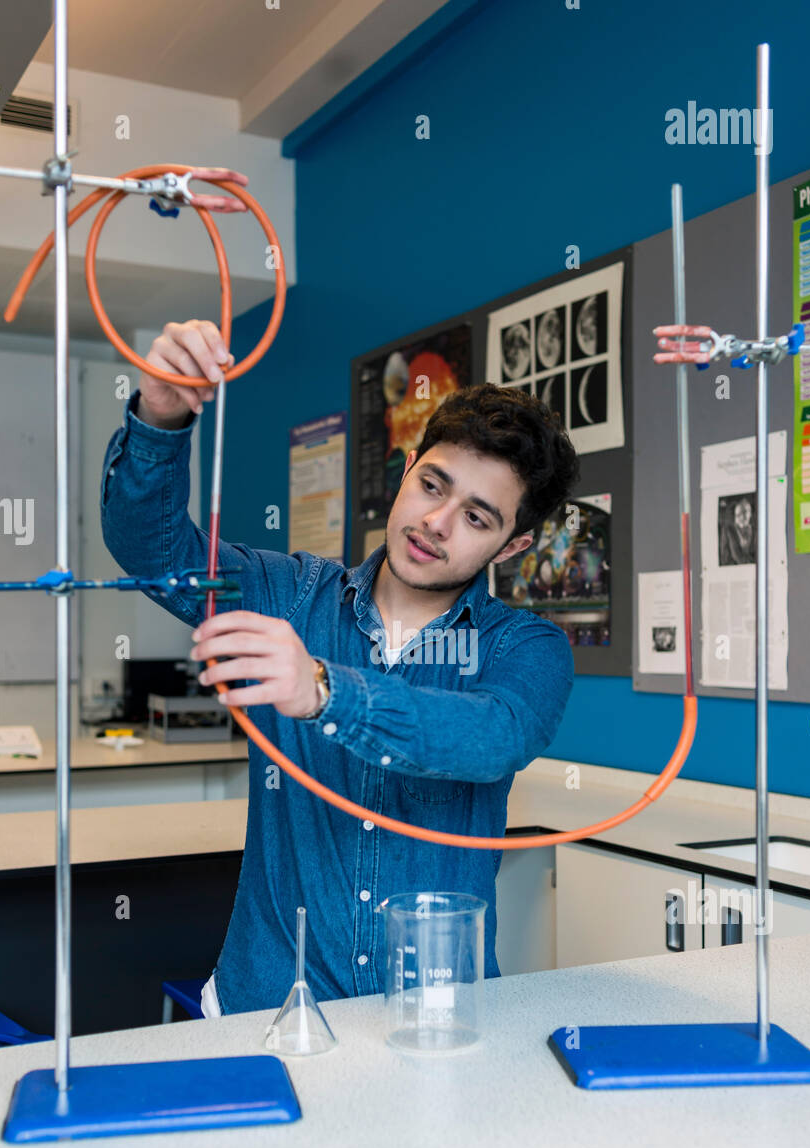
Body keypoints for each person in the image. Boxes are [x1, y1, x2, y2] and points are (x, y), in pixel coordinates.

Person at [100, 320, 581, 1014]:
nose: (436, 522)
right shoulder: (290, 596)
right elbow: (153, 552)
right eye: (431, 485)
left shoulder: (524, 647)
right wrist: (161, 419)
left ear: (512, 547)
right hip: (267, 1007)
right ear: (407, 469)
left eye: (476, 517)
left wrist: (326, 691)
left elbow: (493, 735)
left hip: (432, 1020)